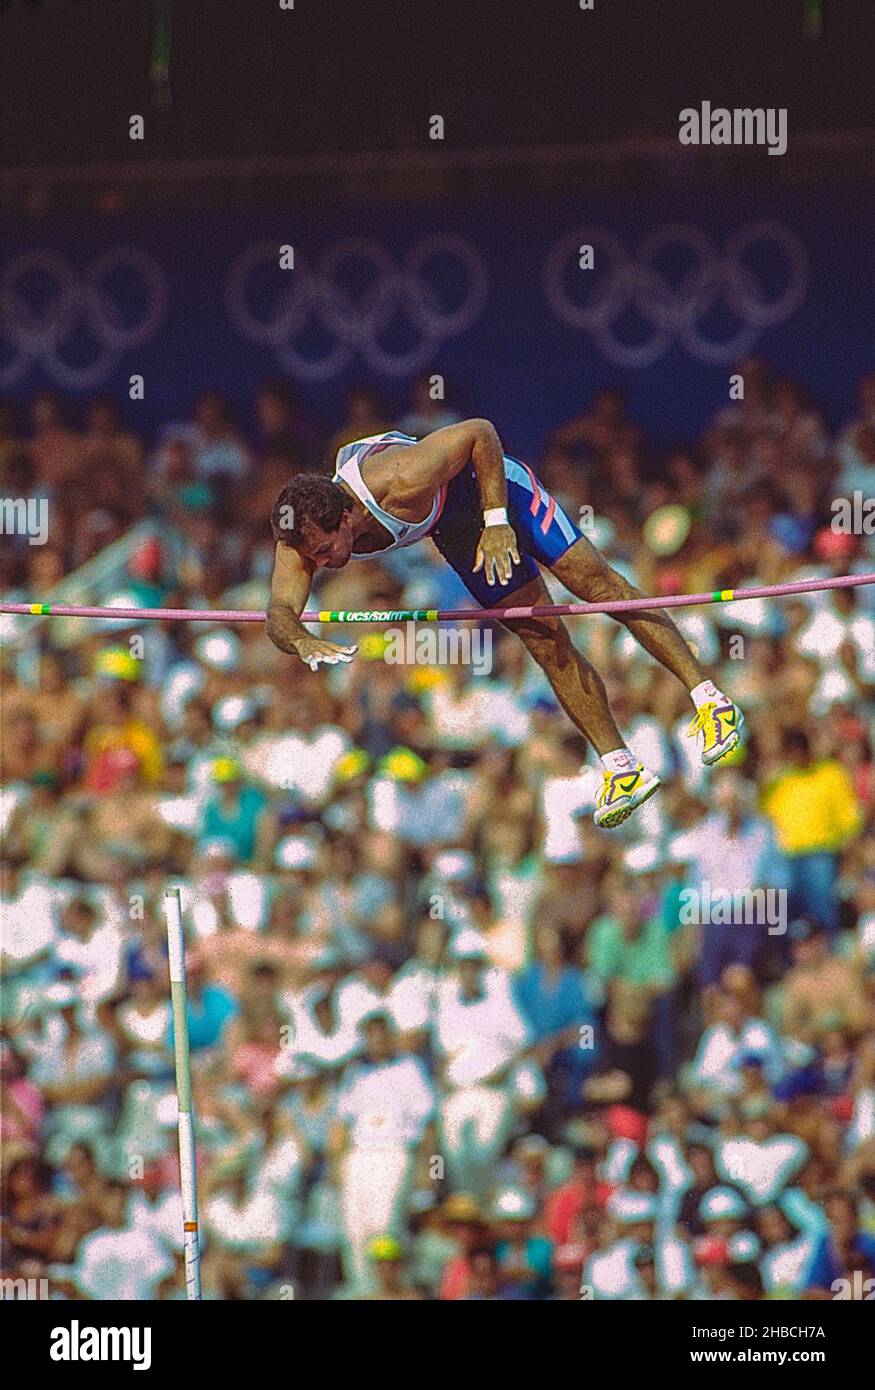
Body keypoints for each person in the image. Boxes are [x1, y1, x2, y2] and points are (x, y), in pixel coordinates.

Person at [267, 419, 744, 828]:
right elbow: (279, 615)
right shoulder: (300, 536)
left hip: (494, 489)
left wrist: (497, 523)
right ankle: (621, 767)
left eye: (326, 549)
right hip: (455, 529)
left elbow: (481, 433)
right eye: (313, 557)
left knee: (594, 585)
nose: (322, 563)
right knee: (543, 638)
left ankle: (711, 701)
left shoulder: (399, 477)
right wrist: (300, 640)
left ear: (347, 517)